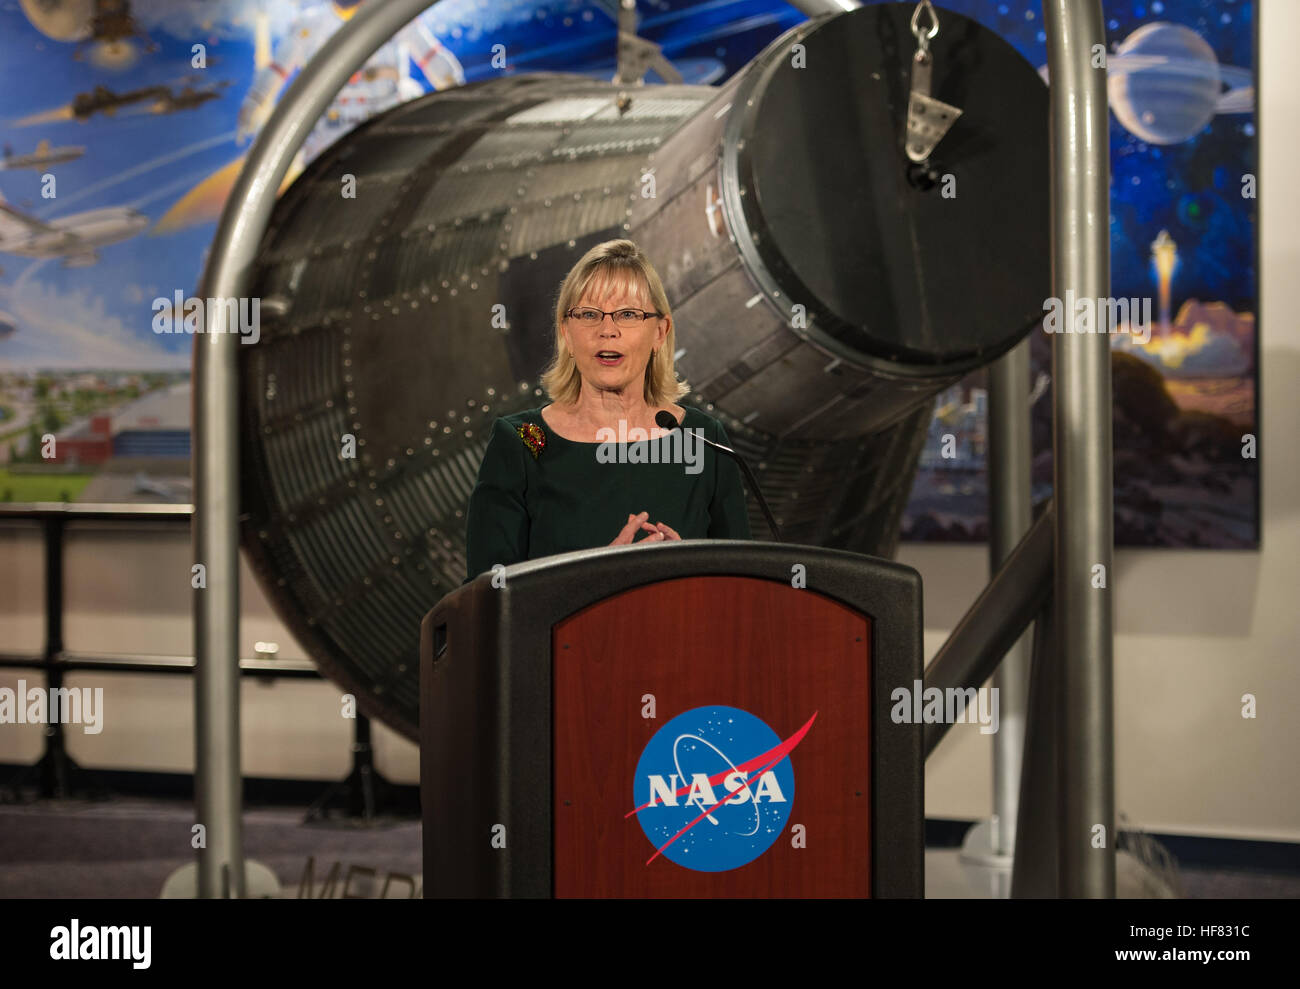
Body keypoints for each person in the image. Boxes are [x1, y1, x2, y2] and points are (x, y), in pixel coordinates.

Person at [464, 238, 751, 582]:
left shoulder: (703, 440)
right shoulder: (524, 440)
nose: (607, 331)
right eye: (589, 315)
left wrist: (691, 573)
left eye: (628, 314)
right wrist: (599, 577)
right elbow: (489, 595)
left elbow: (742, 588)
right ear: (566, 333)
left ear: (660, 333)